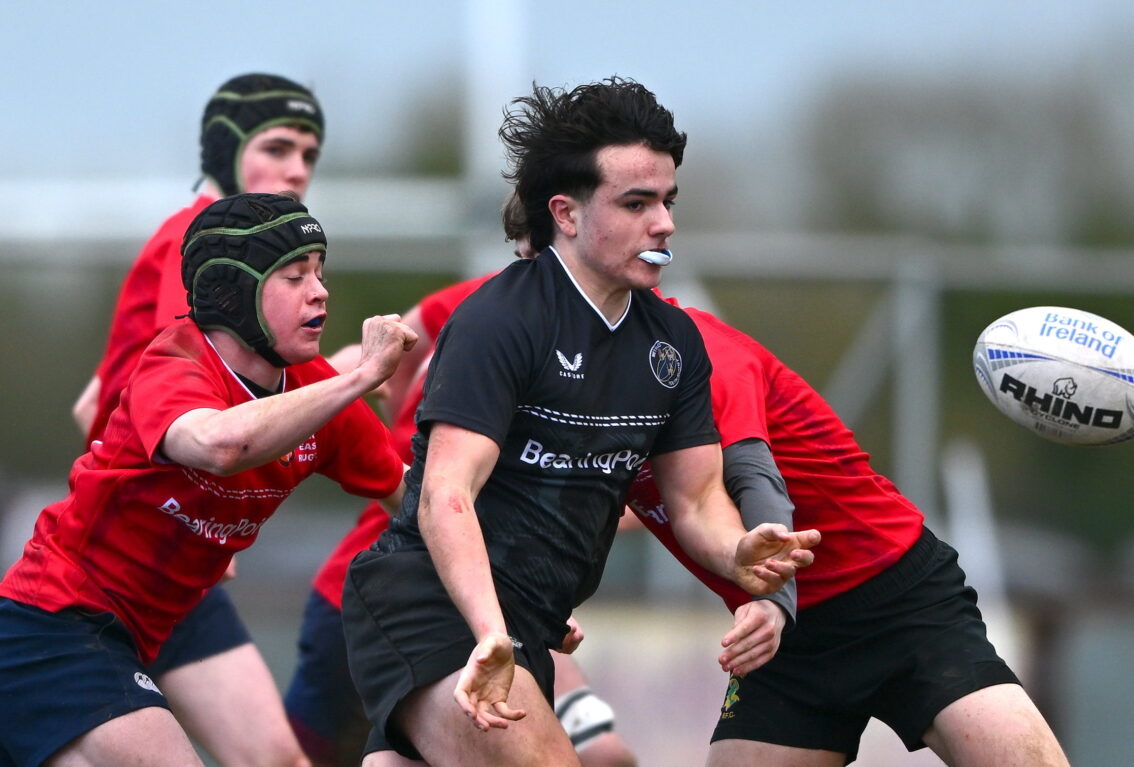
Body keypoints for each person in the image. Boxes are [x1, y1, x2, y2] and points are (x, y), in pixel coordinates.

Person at [339, 76, 820, 766]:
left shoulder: (672, 343)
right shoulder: (500, 320)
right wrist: (489, 633)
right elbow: (446, 494)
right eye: (636, 203)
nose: (664, 223)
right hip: (434, 606)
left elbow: (696, 498)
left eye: (667, 200)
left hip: (528, 625)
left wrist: (735, 553)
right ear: (564, 213)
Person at [0, 192, 416, 767]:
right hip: (56, 624)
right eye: (295, 276)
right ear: (234, 291)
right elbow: (221, 445)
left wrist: (508, 601)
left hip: (155, 627)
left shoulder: (320, 397)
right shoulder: (174, 364)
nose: (320, 291)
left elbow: (424, 503)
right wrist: (364, 374)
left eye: (320, 272)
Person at [620, 302, 1072, 765]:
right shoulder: (560, 371)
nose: (662, 226)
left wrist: (775, 599)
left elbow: (756, 479)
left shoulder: (686, 346)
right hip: (787, 645)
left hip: (896, 597)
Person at [67, 73, 325, 767]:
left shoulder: (253, 254)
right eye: (278, 147)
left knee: (275, 757)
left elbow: (94, 400)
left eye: (309, 153)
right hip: (114, 567)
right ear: (224, 151)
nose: (297, 168)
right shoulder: (201, 247)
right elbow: (194, 405)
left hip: (176, 566)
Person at [285, 265, 638, 767]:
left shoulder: (647, 339)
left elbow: (660, 483)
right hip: (388, 592)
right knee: (290, 754)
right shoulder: (484, 307)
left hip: (495, 598)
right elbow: (400, 363)